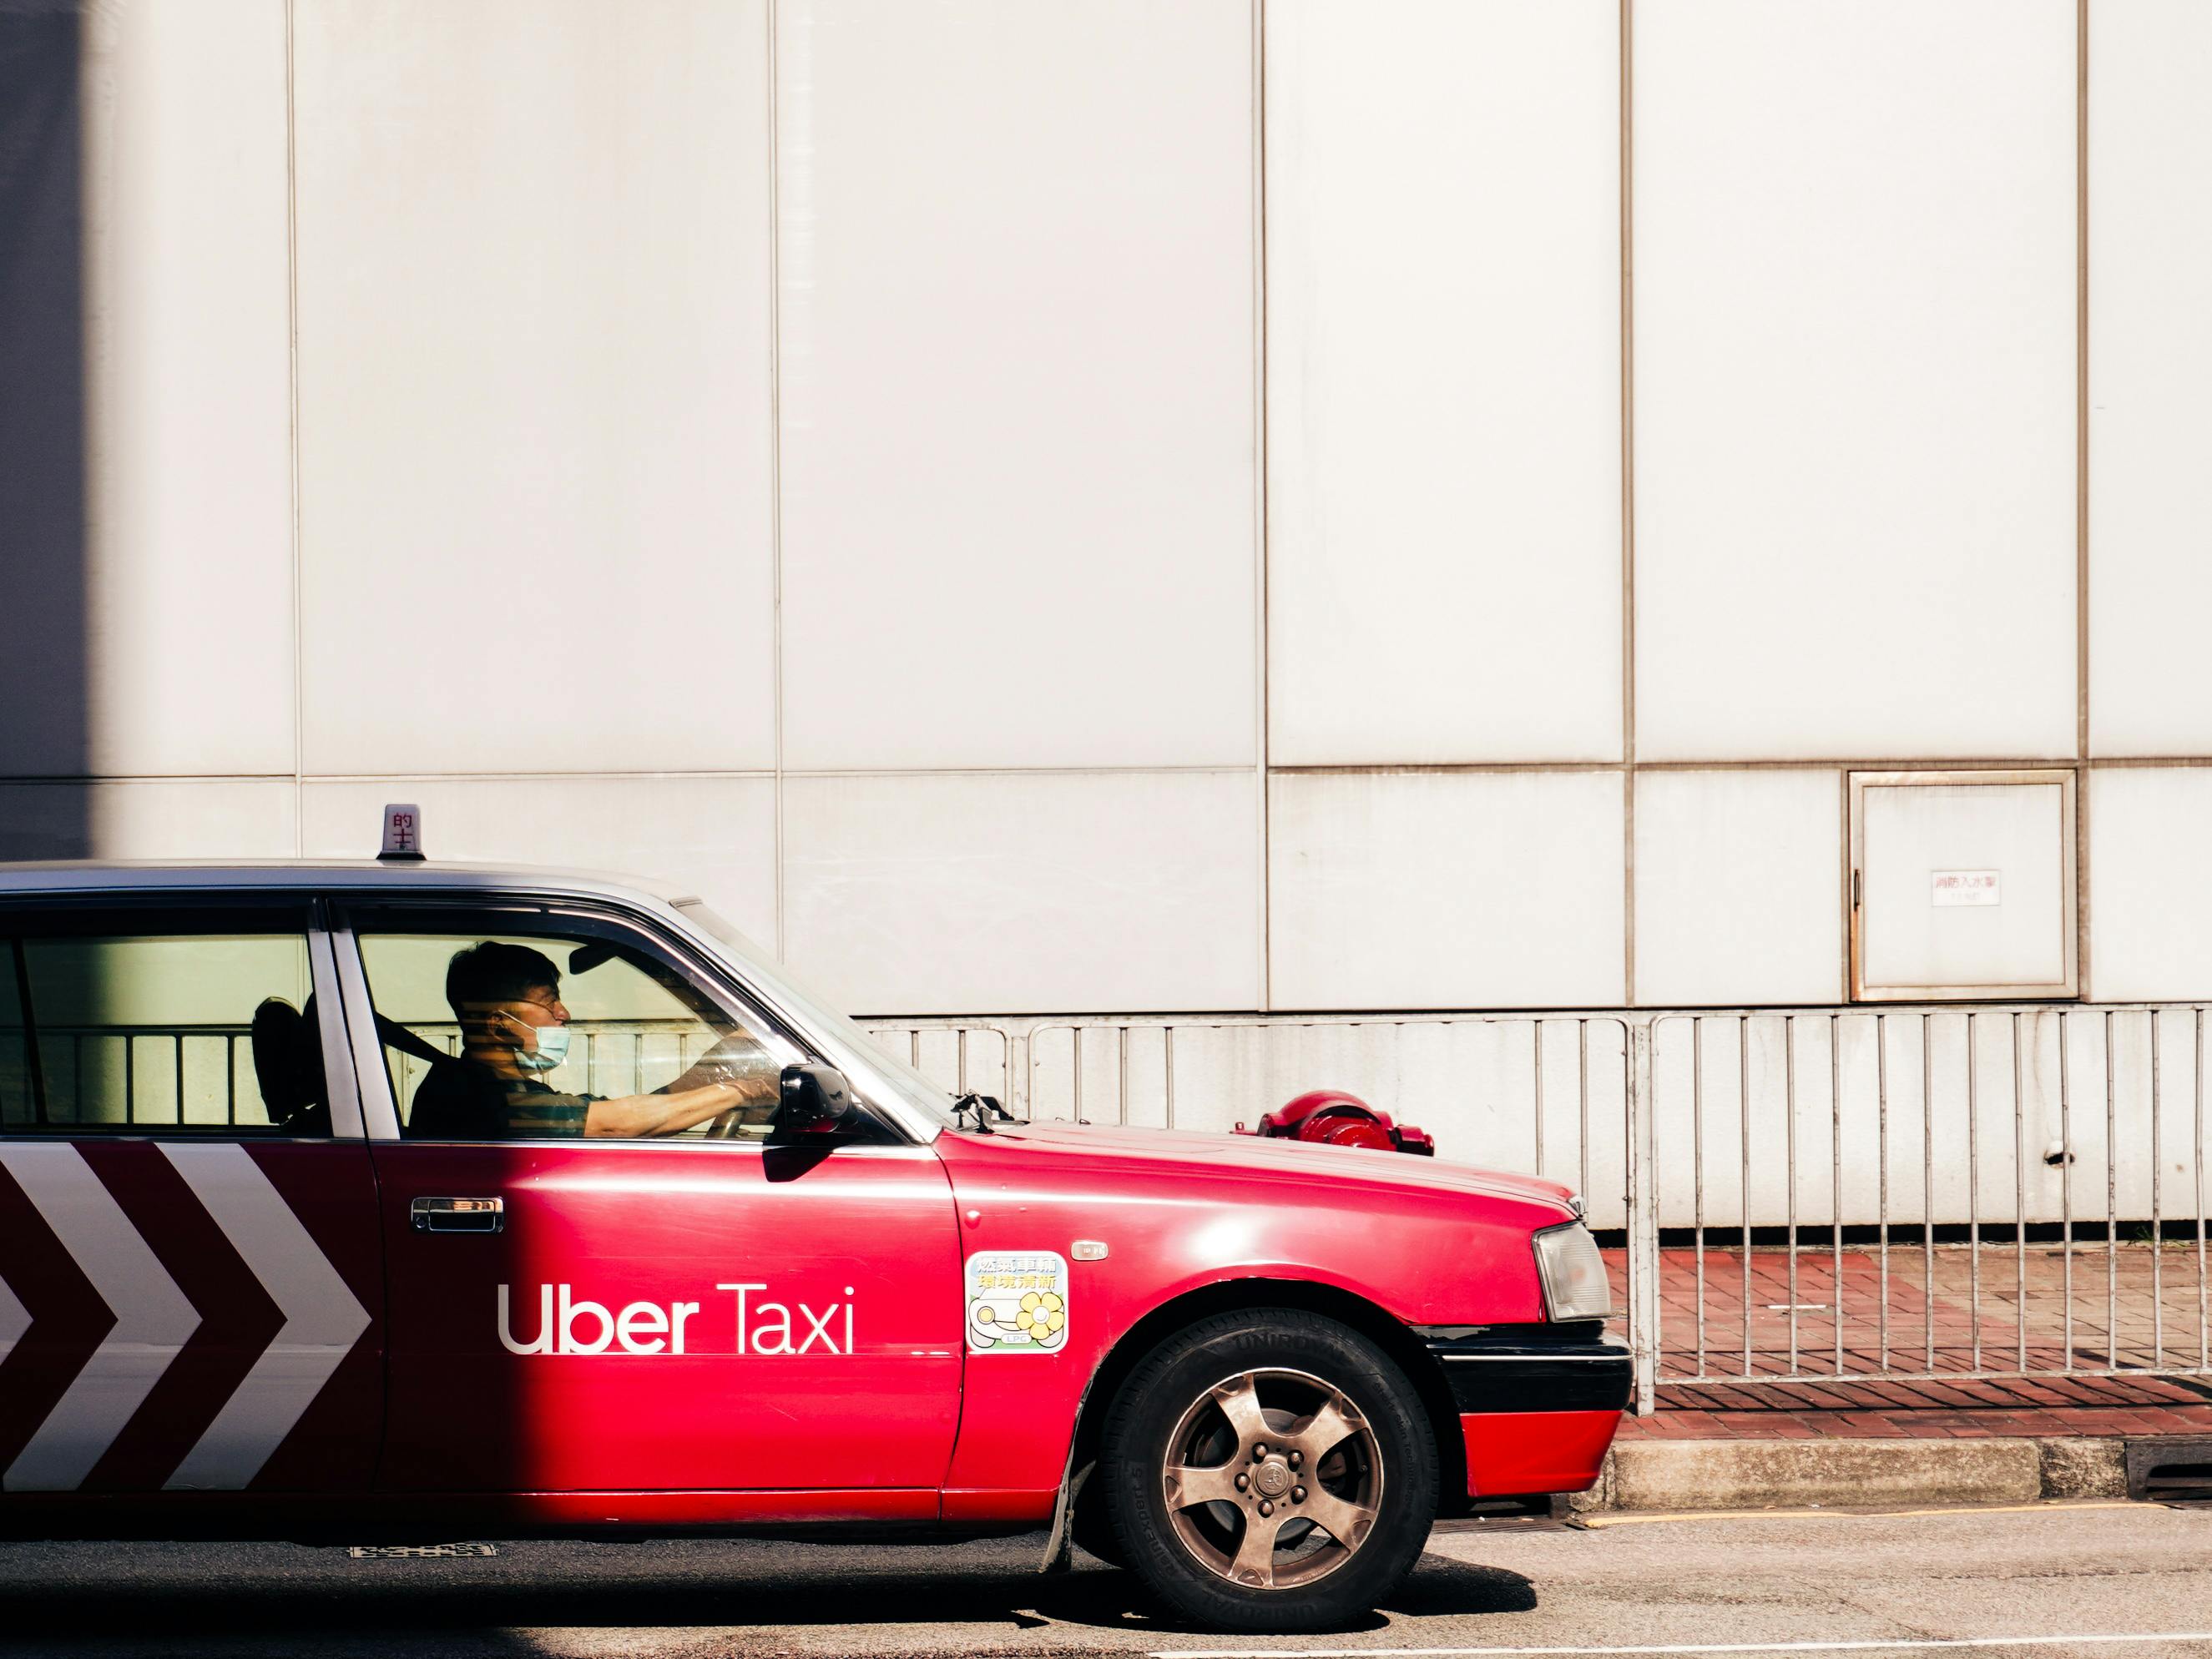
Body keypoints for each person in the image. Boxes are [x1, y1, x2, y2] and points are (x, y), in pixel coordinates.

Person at [407, 940, 775, 1139]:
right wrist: (740, 1090)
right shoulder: (482, 1097)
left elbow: (645, 1109)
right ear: (499, 1024)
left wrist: (730, 1058)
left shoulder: (491, 1087)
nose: (563, 1013)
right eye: (548, 1001)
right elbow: (619, 1122)